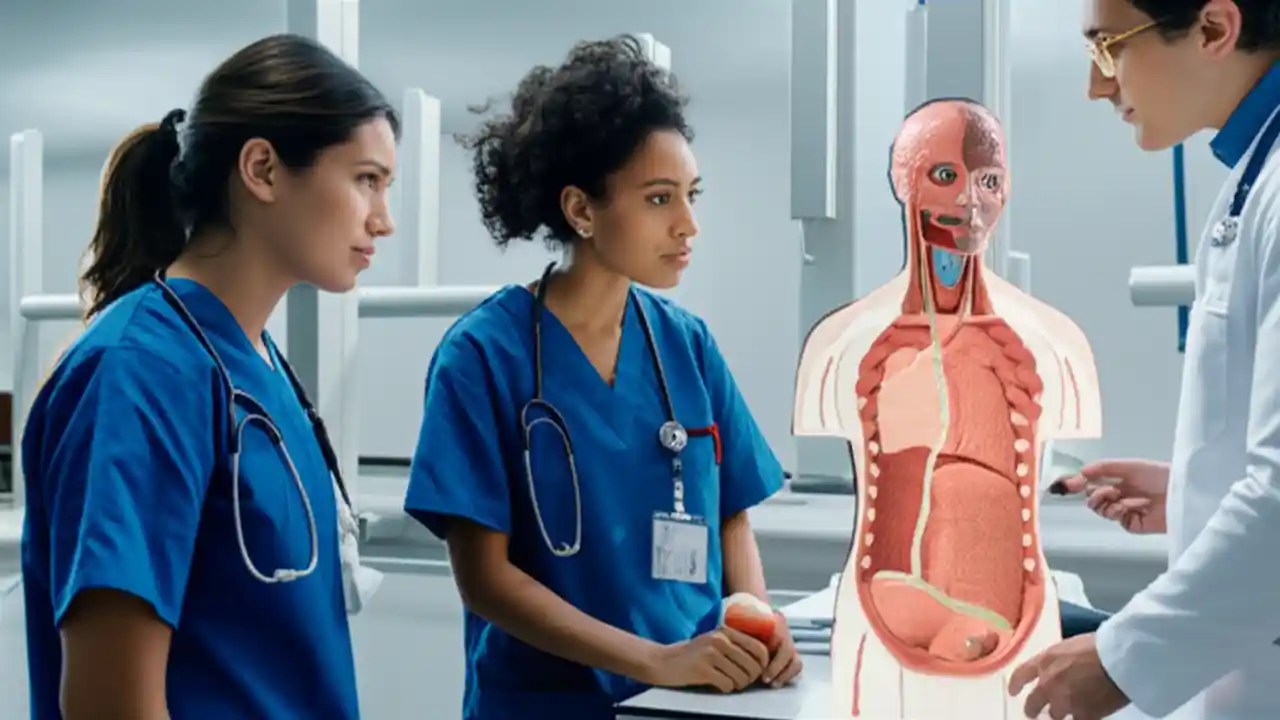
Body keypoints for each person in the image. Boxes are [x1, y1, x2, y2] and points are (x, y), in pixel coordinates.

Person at [403, 35, 801, 719]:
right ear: (581, 210)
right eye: (659, 199)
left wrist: (756, 625)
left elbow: (730, 513)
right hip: (545, 705)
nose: (688, 225)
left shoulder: (687, 345)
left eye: (691, 196)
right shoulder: (483, 356)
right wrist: (654, 660)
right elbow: (485, 579)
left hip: (689, 701)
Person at [19, 33, 398, 719]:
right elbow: (109, 704)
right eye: (366, 180)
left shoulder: (258, 365)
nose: (384, 220)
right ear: (262, 169)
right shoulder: (138, 374)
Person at [1007, 1, 1280, 718]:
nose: (1097, 86)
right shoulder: (1254, 174)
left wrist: (1124, 656)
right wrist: (1194, 490)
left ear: (1214, 29)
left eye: (1109, 47)